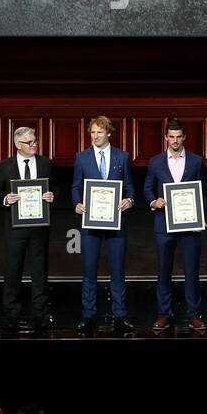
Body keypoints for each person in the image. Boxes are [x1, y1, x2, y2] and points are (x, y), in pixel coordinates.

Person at [71, 115, 136, 336]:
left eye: (99, 132)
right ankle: (88, 316)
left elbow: (130, 188)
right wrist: (77, 203)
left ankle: (120, 315)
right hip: (90, 223)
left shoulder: (123, 156)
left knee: (117, 271)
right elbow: (75, 187)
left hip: (117, 223)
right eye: (92, 132)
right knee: (89, 270)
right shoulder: (81, 158)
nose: (95, 136)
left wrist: (129, 200)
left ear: (109, 133)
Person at [142, 118, 207, 333]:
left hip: (190, 225)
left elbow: (202, 193)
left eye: (179, 136)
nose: (175, 140)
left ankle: (194, 315)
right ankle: (164, 314)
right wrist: (154, 201)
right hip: (164, 224)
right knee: (163, 271)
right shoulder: (155, 162)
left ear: (184, 137)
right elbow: (147, 189)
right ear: (166, 138)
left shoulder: (197, 161)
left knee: (191, 271)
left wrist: (201, 217)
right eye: (172, 136)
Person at [0, 126, 56, 333]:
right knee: (13, 270)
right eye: (30, 143)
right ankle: (11, 314)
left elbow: (55, 189)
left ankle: (41, 313)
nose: (34, 145)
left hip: (39, 227)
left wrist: (51, 196)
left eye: (35, 141)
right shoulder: (5, 165)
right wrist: (5, 199)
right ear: (18, 145)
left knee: (40, 271)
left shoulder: (45, 163)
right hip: (15, 228)